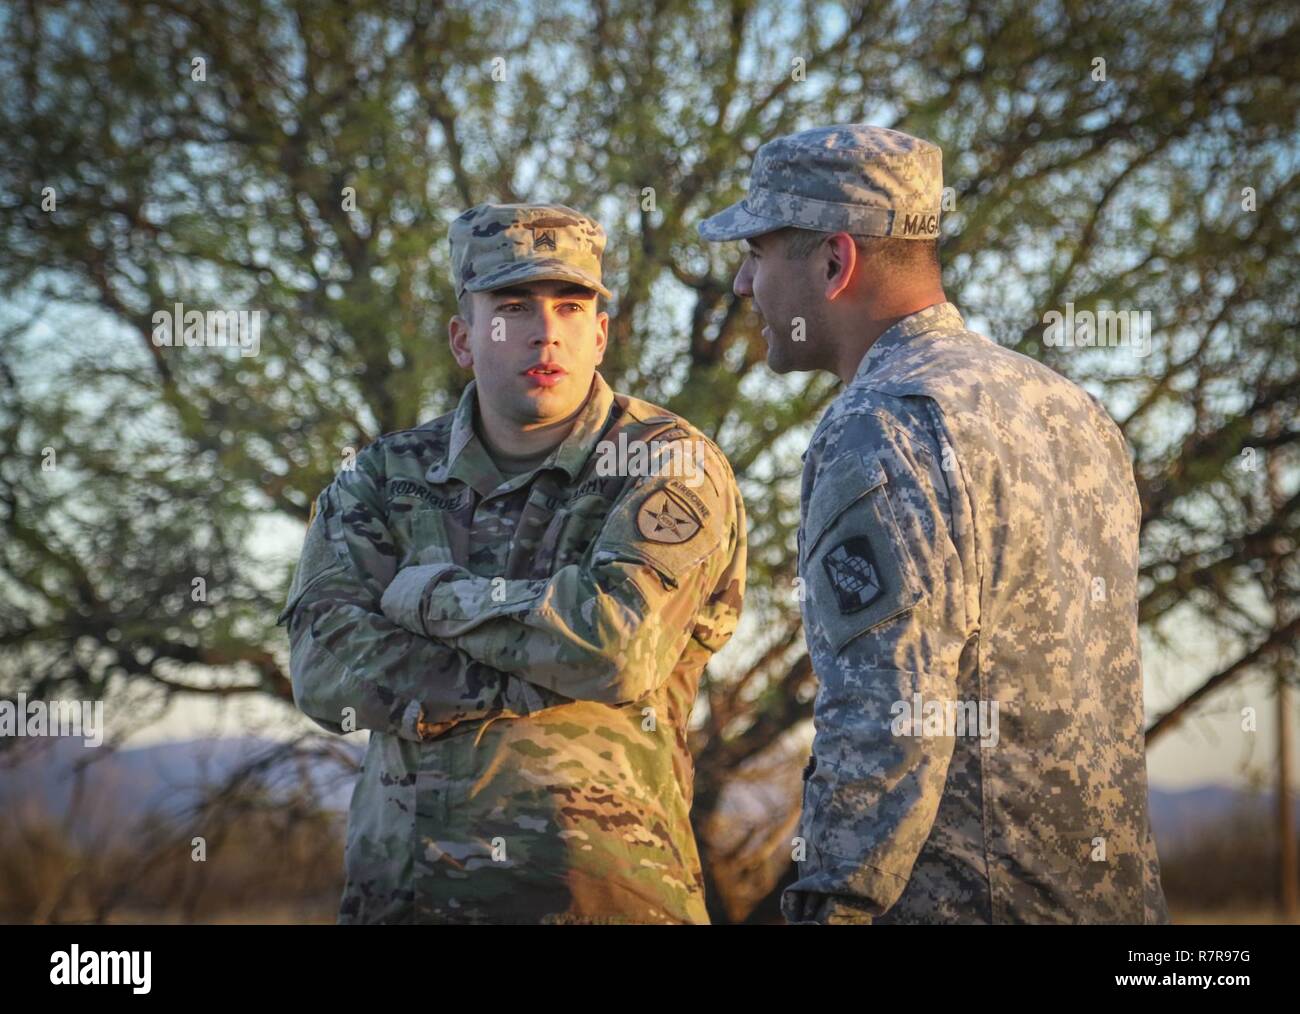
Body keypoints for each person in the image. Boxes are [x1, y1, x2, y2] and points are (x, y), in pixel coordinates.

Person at [698, 124, 1168, 925]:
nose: (744, 284)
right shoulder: (1071, 410)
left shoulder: (881, 423)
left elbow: (888, 713)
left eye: (758, 252)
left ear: (834, 262)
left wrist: (829, 908)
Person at [278, 202, 746, 924]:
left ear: (601, 335)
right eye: (514, 306)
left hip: (603, 902)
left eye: (569, 306)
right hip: (402, 900)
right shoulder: (384, 476)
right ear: (464, 339)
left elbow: (616, 646)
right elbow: (323, 666)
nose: (545, 330)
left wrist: (431, 599)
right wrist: (535, 678)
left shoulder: (664, 462)